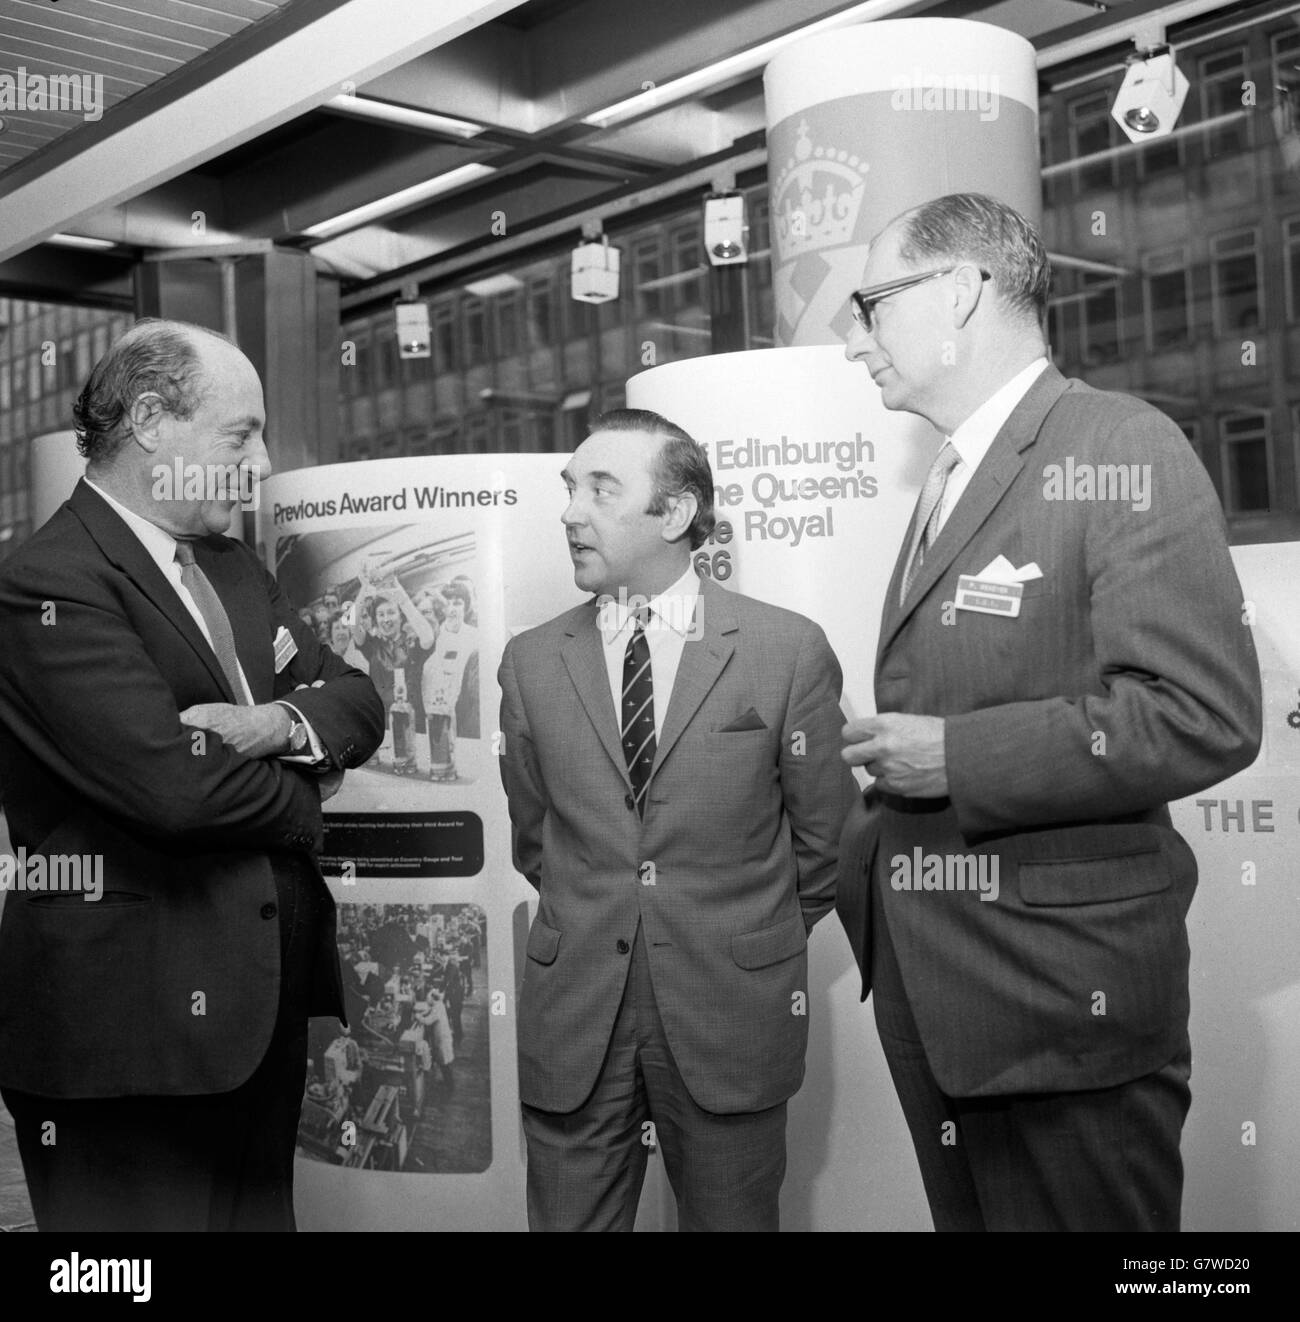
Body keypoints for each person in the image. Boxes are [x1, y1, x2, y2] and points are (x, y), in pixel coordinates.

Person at [836, 193, 1263, 1232]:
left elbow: (1200, 710)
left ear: (960, 289)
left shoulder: (1120, 446)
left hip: (1058, 1001)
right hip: (938, 990)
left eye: (870, 303)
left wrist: (956, 755)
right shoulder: (950, 473)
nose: (851, 340)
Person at [0, 318, 385, 1231]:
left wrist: (270, 724)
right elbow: (175, 788)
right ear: (150, 420)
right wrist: (307, 784)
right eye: (240, 434)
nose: (259, 462)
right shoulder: (46, 581)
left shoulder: (233, 567)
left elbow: (357, 700)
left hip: (260, 1022)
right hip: (126, 1040)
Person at [498, 408, 856, 1232]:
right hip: (576, 1012)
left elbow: (826, 844)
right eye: (569, 488)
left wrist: (741, 931)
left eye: (600, 488)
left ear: (675, 513)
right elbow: (536, 837)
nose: (569, 511)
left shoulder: (787, 650)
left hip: (729, 1012)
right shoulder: (530, 662)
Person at [422, 582, 478, 781]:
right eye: (449, 604)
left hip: (466, 713)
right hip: (438, 715)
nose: (453, 609)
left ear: (465, 606)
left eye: (458, 603)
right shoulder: (434, 636)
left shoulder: (476, 636)